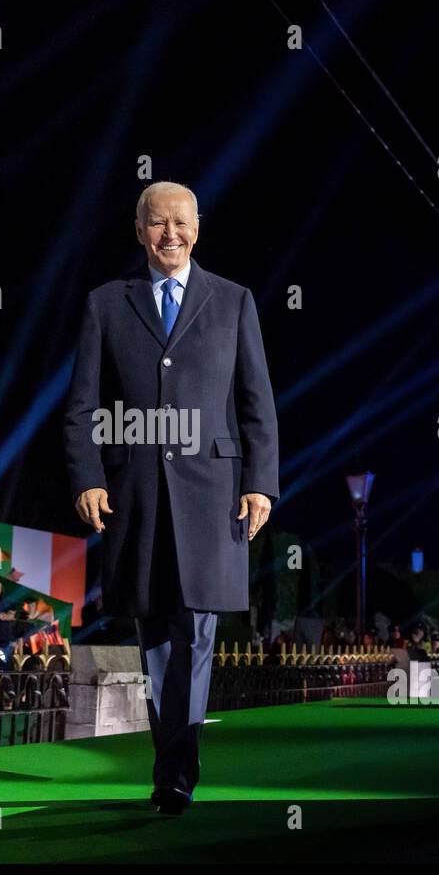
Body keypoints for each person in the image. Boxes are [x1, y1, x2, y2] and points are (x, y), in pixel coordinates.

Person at [64, 181, 278, 816]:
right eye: (158, 223)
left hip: (215, 499)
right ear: (139, 231)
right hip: (136, 499)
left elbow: (256, 401)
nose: (170, 234)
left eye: (181, 222)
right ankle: (174, 762)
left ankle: (176, 770)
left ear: (197, 228)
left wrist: (260, 482)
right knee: (154, 635)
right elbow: (81, 408)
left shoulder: (234, 301)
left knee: (197, 632)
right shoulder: (106, 304)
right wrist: (88, 477)